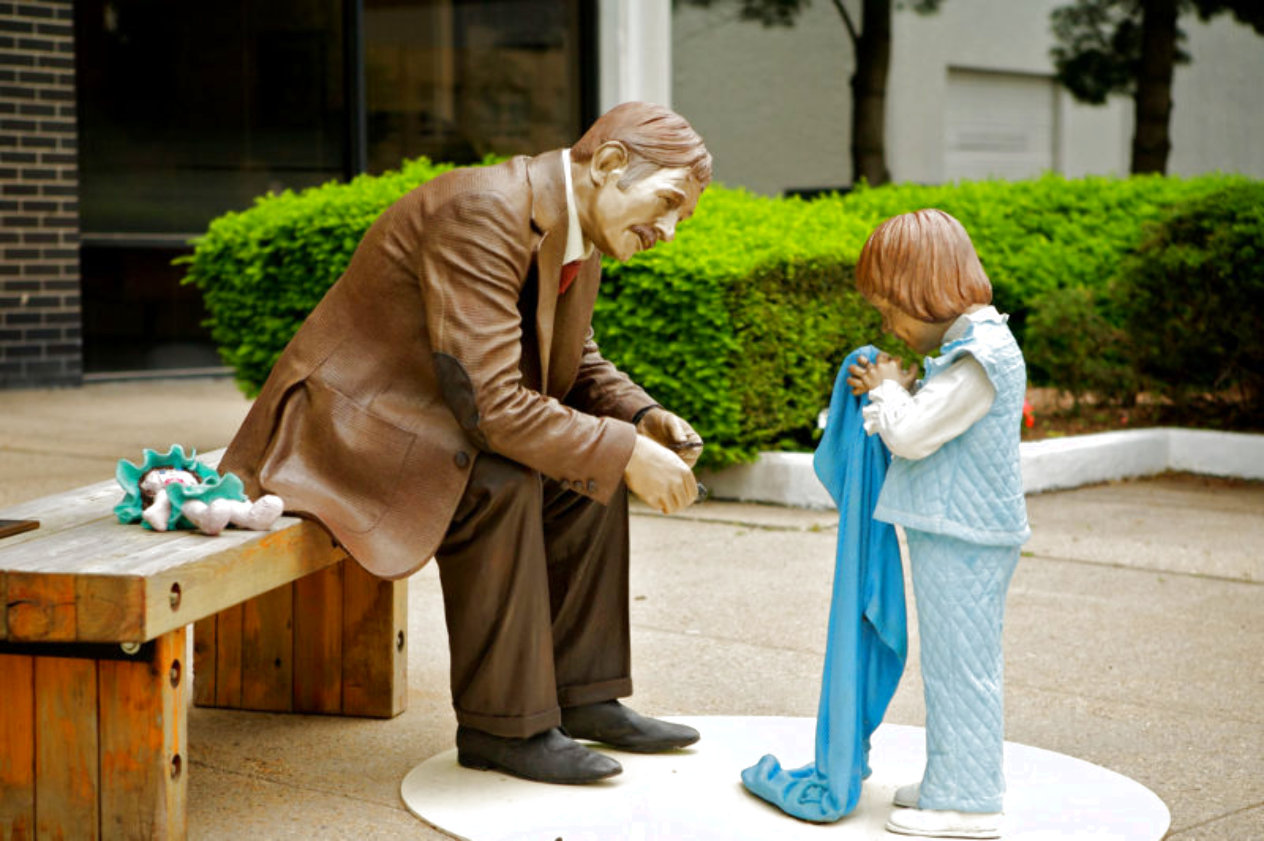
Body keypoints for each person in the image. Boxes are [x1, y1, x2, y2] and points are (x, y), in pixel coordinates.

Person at [219, 102, 712, 785]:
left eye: (680, 220)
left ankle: (586, 694)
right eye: (666, 205)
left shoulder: (578, 227)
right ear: (608, 165)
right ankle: (504, 728)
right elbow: (492, 408)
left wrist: (642, 417)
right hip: (352, 432)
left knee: (589, 471)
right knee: (505, 480)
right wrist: (622, 449)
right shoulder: (480, 211)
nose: (667, 231)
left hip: (436, 415)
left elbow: (575, 355)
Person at [845, 209, 1029, 839]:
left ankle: (972, 800)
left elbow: (914, 433)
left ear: (923, 289)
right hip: (958, 533)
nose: (887, 324)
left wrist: (888, 390)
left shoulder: (981, 357)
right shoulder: (971, 349)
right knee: (951, 663)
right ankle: (952, 778)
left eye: (890, 307)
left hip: (966, 537)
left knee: (962, 666)